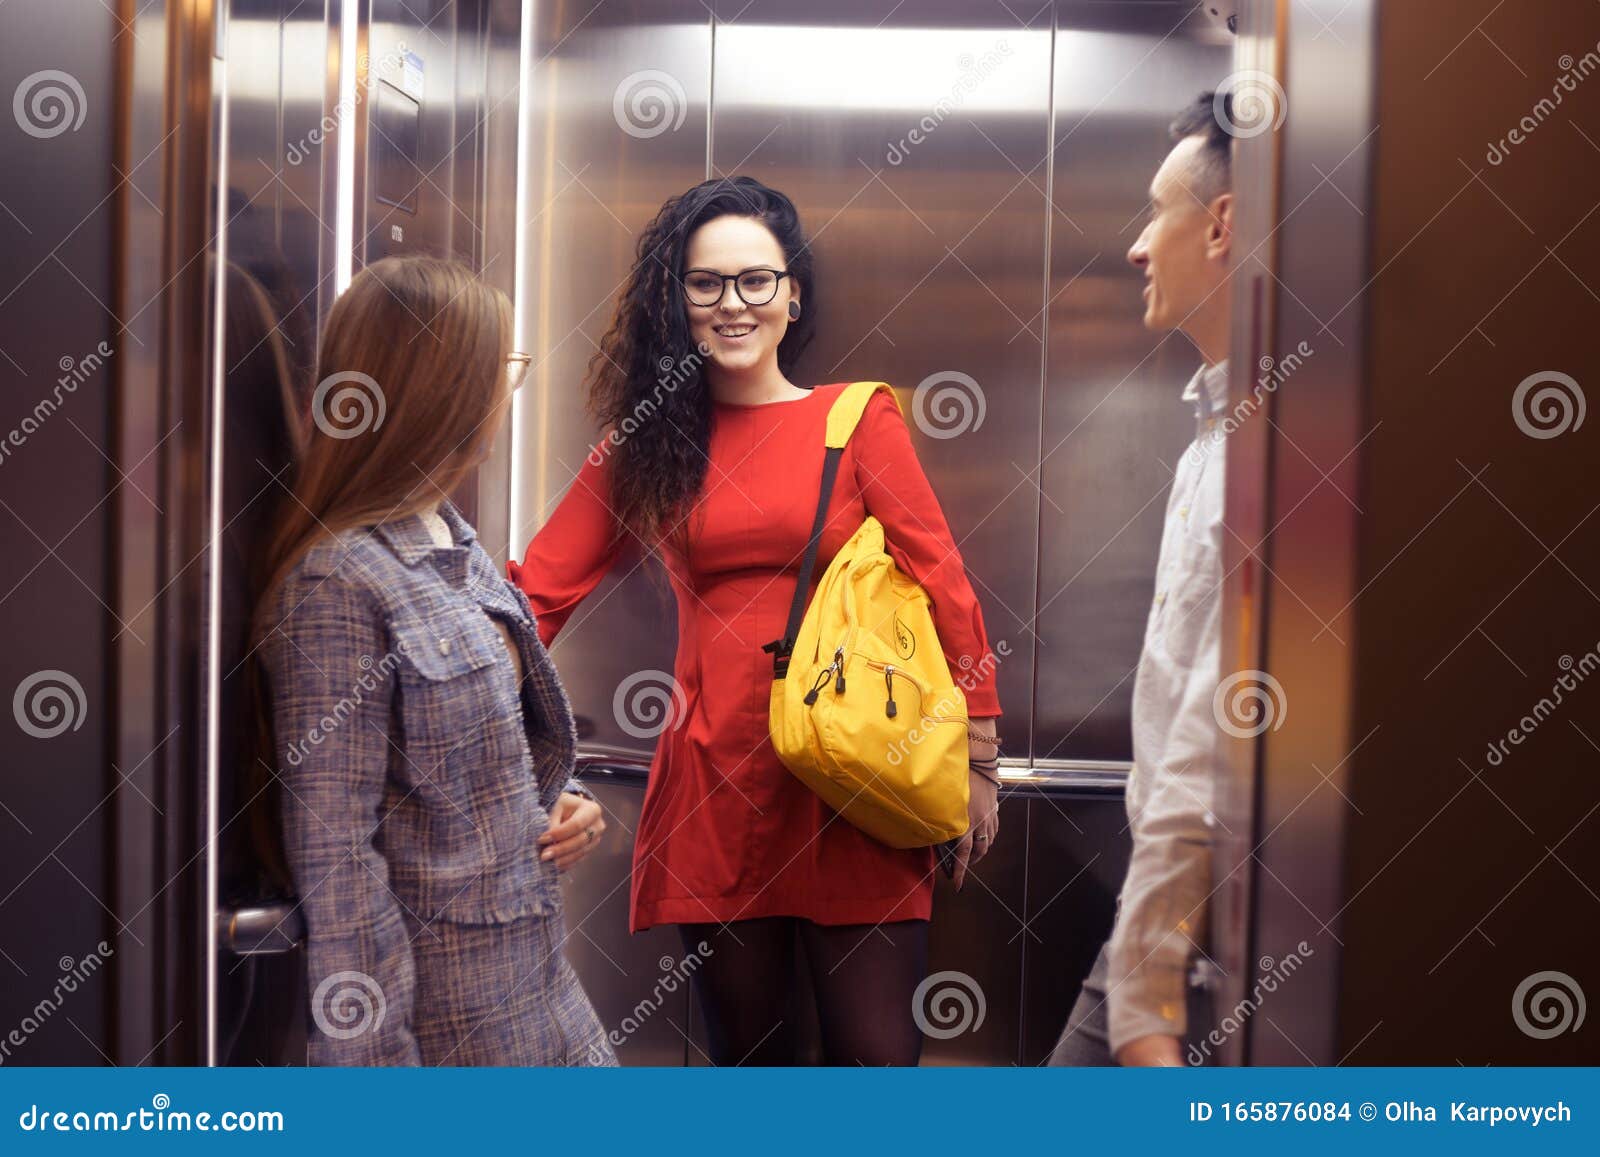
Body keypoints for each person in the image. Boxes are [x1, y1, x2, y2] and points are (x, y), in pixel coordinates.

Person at [509, 176, 1004, 1066]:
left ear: (792, 292)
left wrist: (980, 754)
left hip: (859, 785)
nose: (732, 304)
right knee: (754, 1072)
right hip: (715, 790)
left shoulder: (856, 419)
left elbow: (944, 583)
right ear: (678, 299)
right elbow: (536, 593)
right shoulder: (651, 441)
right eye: (706, 283)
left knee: (876, 1066)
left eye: (755, 280)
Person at [252, 256, 615, 1066]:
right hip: (452, 1028)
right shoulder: (338, 581)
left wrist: (564, 801)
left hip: (542, 986)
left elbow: (477, 749)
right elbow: (338, 860)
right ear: (446, 390)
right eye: (503, 369)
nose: (506, 392)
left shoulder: (449, 537)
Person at [1050, 93, 1235, 1067]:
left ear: (1222, 224)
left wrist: (1145, 996)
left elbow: (1218, 736)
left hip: (1204, 924)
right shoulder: (1213, 432)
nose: (1134, 246)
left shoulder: (1277, 451)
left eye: (1154, 211)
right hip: (1166, 918)